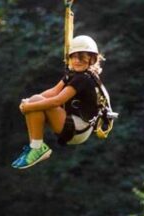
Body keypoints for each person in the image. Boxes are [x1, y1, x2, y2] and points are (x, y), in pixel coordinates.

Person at [12, 35, 103, 169]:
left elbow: (57, 101)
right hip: (74, 126)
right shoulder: (73, 75)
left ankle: (37, 148)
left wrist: (28, 107)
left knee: (35, 105)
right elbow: (54, 92)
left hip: (78, 129)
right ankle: (36, 147)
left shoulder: (83, 79)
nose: (77, 61)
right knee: (36, 101)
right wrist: (29, 101)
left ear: (92, 58)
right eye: (73, 57)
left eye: (82, 57)